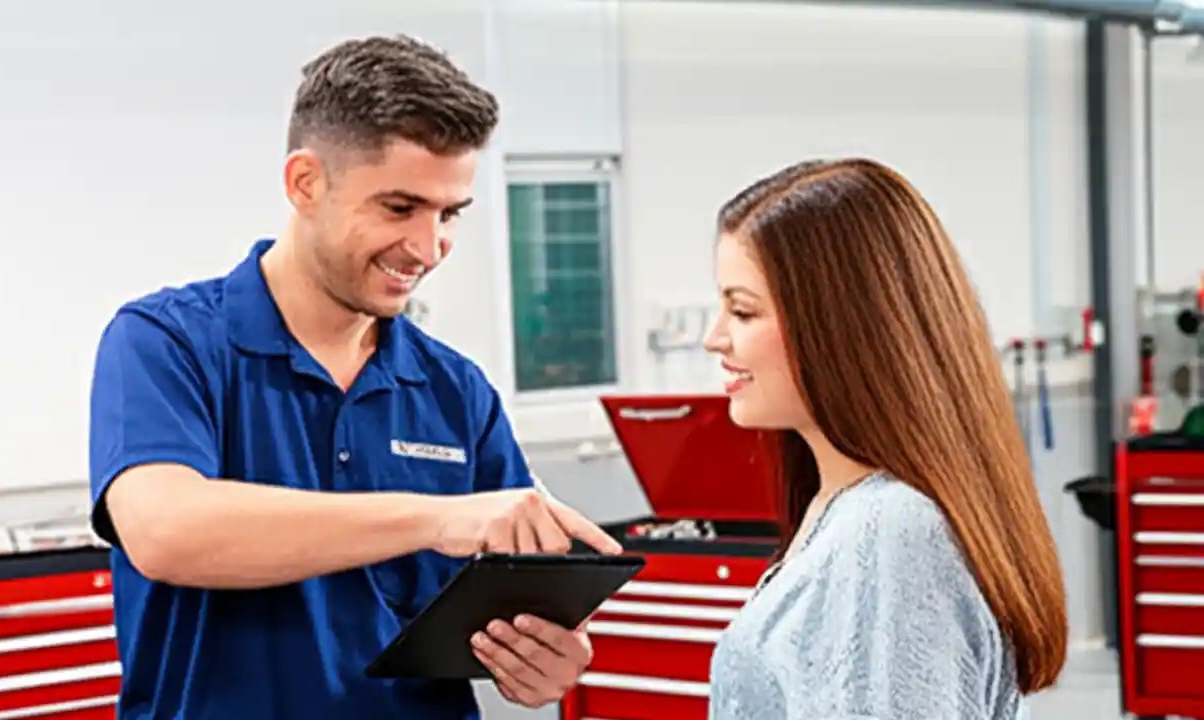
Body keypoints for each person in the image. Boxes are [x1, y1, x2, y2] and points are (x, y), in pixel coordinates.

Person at [87, 35, 621, 720]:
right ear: (306, 183)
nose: (428, 249)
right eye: (399, 209)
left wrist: (544, 659)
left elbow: (512, 607)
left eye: (449, 214)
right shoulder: (166, 343)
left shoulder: (456, 391)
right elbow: (167, 532)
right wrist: (436, 518)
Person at [702, 158, 1068, 719]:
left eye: (743, 311)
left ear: (838, 326)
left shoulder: (893, 532)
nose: (714, 338)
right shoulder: (840, 508)